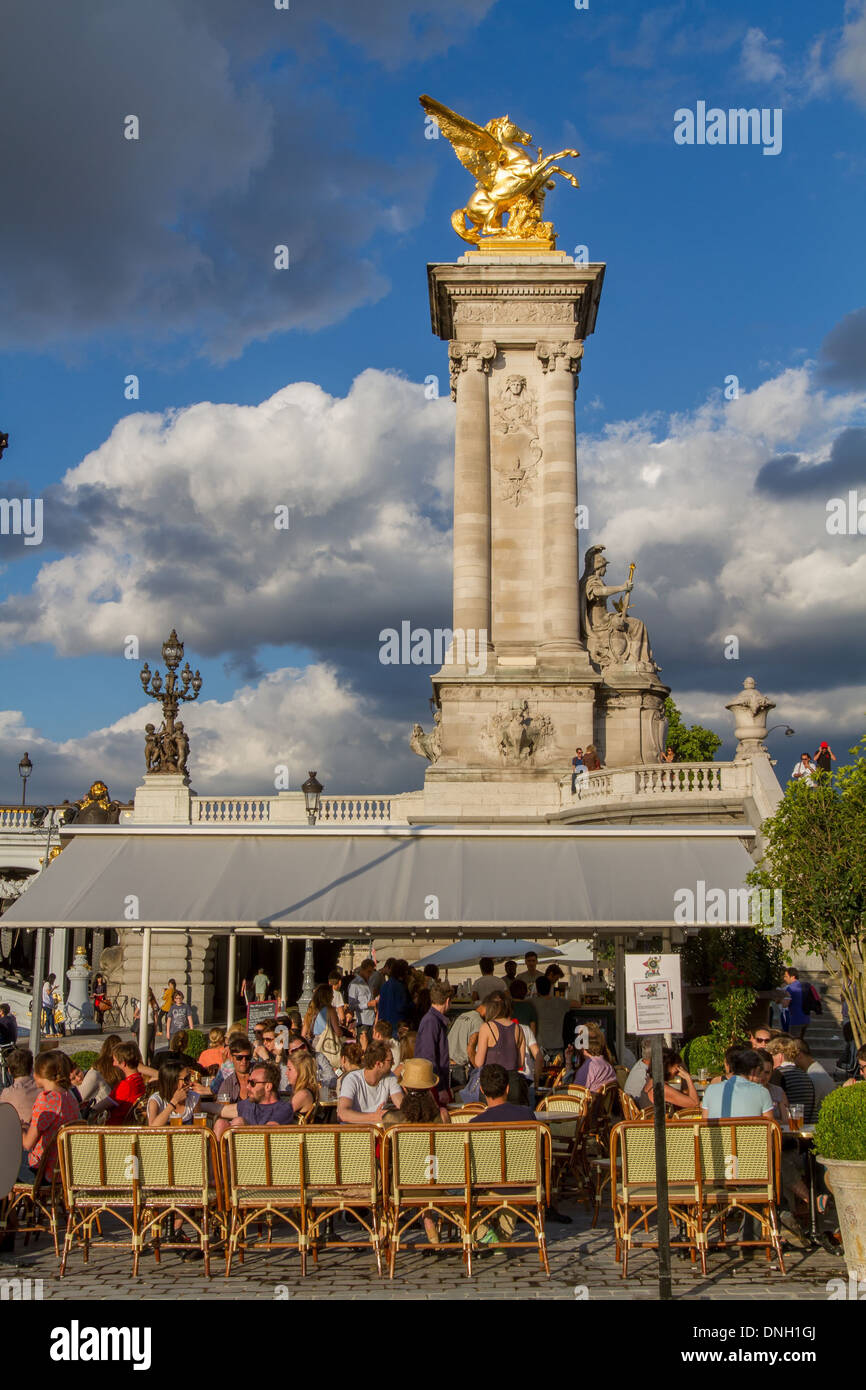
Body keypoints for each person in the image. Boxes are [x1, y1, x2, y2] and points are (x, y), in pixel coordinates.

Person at [18, 1050, 80, 1185]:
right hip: (64, 1168)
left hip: (43, 1170)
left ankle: (7, 1204)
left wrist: (18, 1127)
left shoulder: (46, 1099)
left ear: (41, 1074)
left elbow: (28, 1143)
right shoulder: (69, 1096)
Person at [336, 1041, 403, 1124]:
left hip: (376, 1132)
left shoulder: (390, 1076)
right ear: (379, 1064)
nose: (393, 1063)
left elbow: (401, 1104)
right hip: (353, 1133)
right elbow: (342, 1114)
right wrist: (374, 1117)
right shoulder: (352, 1079)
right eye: (390, 1060)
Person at [473, 992, 525, 1097]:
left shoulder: (487, 1027)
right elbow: (520, 1063)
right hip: (513, 1083)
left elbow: (479, 1062)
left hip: (492, 1083)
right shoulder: (518, 1029)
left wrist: (470, 1050)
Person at [218, 1061, 295, 1127]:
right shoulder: (249, 1104)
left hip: (265, 1143)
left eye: (252, 1083)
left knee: (238, 1122)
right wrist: (205, 1106)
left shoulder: (284, 1108)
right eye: (248, 1082)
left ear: (268, 1086)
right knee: (220, 1123)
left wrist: (241, 1124)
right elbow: (221, 1110)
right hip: (244, 1142)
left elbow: (268, 1131)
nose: (248, 1087)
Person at [702, 1049, 775, 1119]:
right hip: (749, 1132)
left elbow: (704, 1124)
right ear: (754, 1071)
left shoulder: (711, 1090)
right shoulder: (762, 1092)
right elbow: (769, 1127)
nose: (760, 1077)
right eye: (759, 1073)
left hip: (719, 1132)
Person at [414, 981, 452, 1105]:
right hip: (432, 1086)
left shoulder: (432, 1020)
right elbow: (428, 1058)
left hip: (433, 1083)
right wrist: (441, 1088)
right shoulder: (431, 1021)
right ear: (447, 1001)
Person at [769, 1035, 817, 1120]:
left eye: (771, 1056)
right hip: (806, 1126)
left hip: (789, 1127)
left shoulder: (778, 1074)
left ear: (779, 1056)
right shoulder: (805, 1074)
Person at [76, 1035, 124, 1115]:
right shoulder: (120, 1067)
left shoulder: (96, 1067)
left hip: (101, 1109)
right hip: (114, 1105)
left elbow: (80, 1096)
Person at [146, 1059, 202, 1127]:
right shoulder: (156, 1100)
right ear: (172, 1081)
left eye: (189, 1077)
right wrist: (173, 1103)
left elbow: (199, 1129)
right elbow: (152, 1129)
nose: (190, 1083)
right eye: (186, 1079)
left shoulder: (193, 1098)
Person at [101, 1041, 146, 1124]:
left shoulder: (126, 1085)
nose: (113, 1064)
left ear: (123, 1063)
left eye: (114, 1061)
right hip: (129, 1125)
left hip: (116, 1129)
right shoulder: (139, 1080)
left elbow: (99, 1107)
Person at [0, 1046, 39, 1129]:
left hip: (20, 1137)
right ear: (31, 1068)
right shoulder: (42, 1088)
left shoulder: (7, 1093)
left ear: (9, 1071)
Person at [533, 977, 570, 1058]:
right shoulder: (561, 1002)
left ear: (537, 988)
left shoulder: (532, 1002)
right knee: (558, 1070)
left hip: (541, 1047)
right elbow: (577, 1003)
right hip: (557, 1045)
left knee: (541, 1070)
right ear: (550, 988)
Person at [448, 1004, 483, 1090]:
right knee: (460, 1101)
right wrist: (481, 1072)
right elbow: (470, 1049)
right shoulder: (478, 1021)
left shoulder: (463, 1015)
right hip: (458, 1069)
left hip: (448, 1064)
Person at [794, 1038, 835, 1111]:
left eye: (791, 1056)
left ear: (799, 1055)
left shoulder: (813, 1076)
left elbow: (805, 1109)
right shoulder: (815, 1072)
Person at [753, 1048, 791, 1124]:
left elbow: (786, 1122)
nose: (763, 1076)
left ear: (772, 1072)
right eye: (759, 1072)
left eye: (767, 1072)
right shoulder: (744, 1091)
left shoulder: (778, 1091)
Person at [376, 959, 414, 1032]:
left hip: (385, 1027)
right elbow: (401, 1007)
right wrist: (413, 1003)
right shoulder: (399, 986)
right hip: (397, 1026)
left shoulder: (385, 985)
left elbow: (381, 1007)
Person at [347, 959, 377, 1043]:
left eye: (371, 972)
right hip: (362, 1022)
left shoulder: (370, 983)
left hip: (372, 1020)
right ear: (362, 969)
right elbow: (352, 1006)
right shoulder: (354, 984)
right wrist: (367, 1004)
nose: (370, 975)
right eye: (368, 972)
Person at [284, 1051, 319, 1118]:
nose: (286, 1073)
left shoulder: (303, 1094)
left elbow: (282, 1115)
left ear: (300, 1071)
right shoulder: (300, 1091)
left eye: (289, 1069)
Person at [780, 967, 810, 1040]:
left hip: (796, 1020)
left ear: (793, 977)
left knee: (793, 1044)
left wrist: (780, 999)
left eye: (786, 976)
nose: (784, 979)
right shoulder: (804, 986)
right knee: (800, 1042)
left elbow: (785, 1004)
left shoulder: (790, 988)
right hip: (806, 1019)